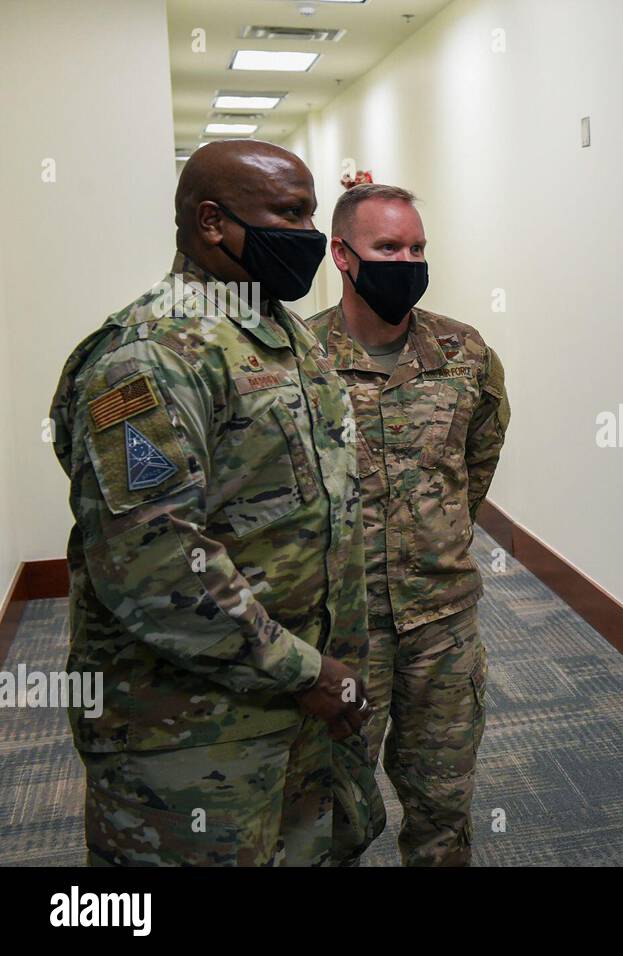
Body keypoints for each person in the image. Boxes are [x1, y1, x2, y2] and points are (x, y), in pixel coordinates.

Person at [48, 139, 375, 866]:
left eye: (312, 214)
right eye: (289, 214)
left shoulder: (283, 334)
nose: (308, 235)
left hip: (298, 704)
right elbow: (155, 561)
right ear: (211, 221)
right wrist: (305, 671)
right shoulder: (150, 355)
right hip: (190, 729)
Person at [308, 183, 509, 866]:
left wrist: (435, 532)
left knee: (443, 808)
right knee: (331, 812)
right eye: (388, 247)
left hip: (443, 623)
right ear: (342, 255)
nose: (407, 262)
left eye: (417, 248)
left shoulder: (464, 351)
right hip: (342, 628)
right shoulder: (299, 360)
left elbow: (476, 460)